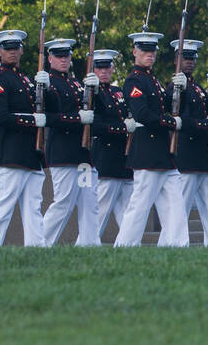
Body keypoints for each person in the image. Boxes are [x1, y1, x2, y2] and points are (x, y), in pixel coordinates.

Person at [114, 29, 189, 247]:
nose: (150, 55)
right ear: (135, 51)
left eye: (152, 51)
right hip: (147, 149)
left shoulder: (152, 81)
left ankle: (178, 244)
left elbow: (170, 106)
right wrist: (170, 123)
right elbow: (142, 114)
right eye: (145, 51)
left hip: (164, 152)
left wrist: (179, 91)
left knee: (175, 203)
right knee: (140, 204)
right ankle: (125, 245)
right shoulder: (134, 81)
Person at [0, 29, 47, 248]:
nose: (12, 52)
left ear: (21, 50)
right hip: (12, 150)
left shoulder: (27, 79)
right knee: (5, 203)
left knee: (34, 206)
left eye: (16, 48)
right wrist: (31, 121)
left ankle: (37, 248)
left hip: (31, 152)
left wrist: (47, 88)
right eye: (7, 48)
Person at [40, 37, 100, 246]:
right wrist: (77, 118)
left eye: (67, 55)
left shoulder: (75, 83)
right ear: (50, 58)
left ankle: (90, 245)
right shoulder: (47, 82)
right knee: (64, 202)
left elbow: (95, 111)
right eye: (59, 55)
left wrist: (97, 91)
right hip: (63, 153)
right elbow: (51, 116)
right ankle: (42, 243)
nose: (63, 59)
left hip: (83, 154)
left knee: (89, 202)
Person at [169, 39, 208, 246]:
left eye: (192, 58)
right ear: (177, 59)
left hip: (205, 157)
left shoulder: (201, 88)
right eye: (185, 57)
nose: (189, 62)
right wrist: (206, 124)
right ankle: (174, 244)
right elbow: (180, 120)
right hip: (187, 155)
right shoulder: (174, 89)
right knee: (180, 207)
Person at [89, 49, 134, 242]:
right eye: (99, 67)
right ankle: (87, 244)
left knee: (128, 212)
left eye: (107, 67)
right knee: (100, 210)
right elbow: (96, 126)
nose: (104, 71)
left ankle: (128, 246)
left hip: (124, 159)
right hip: (106, 159)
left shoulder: (118, 92)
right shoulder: (91, 93)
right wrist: (122, 127)